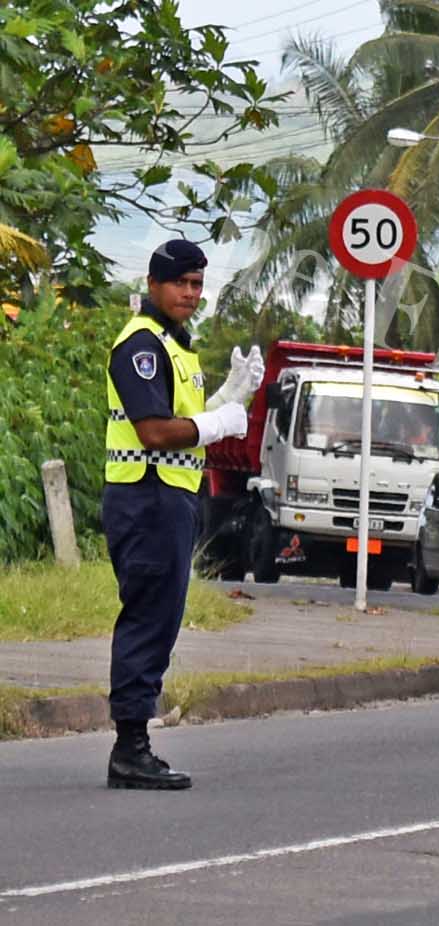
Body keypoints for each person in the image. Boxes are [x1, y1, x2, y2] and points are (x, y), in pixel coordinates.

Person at [101, 240, 262, 789]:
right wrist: (221, 424)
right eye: (180, 283)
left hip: (170, 496)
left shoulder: (176, 348)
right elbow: (153, 432)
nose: (190, 294)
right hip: (145, 499)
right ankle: (130, 749)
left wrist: (225, 397)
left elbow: (180, 425)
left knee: (162, 617)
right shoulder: (141, 346)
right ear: (153, 284)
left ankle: (135, 745)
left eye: (197, 284)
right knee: (149, 617)